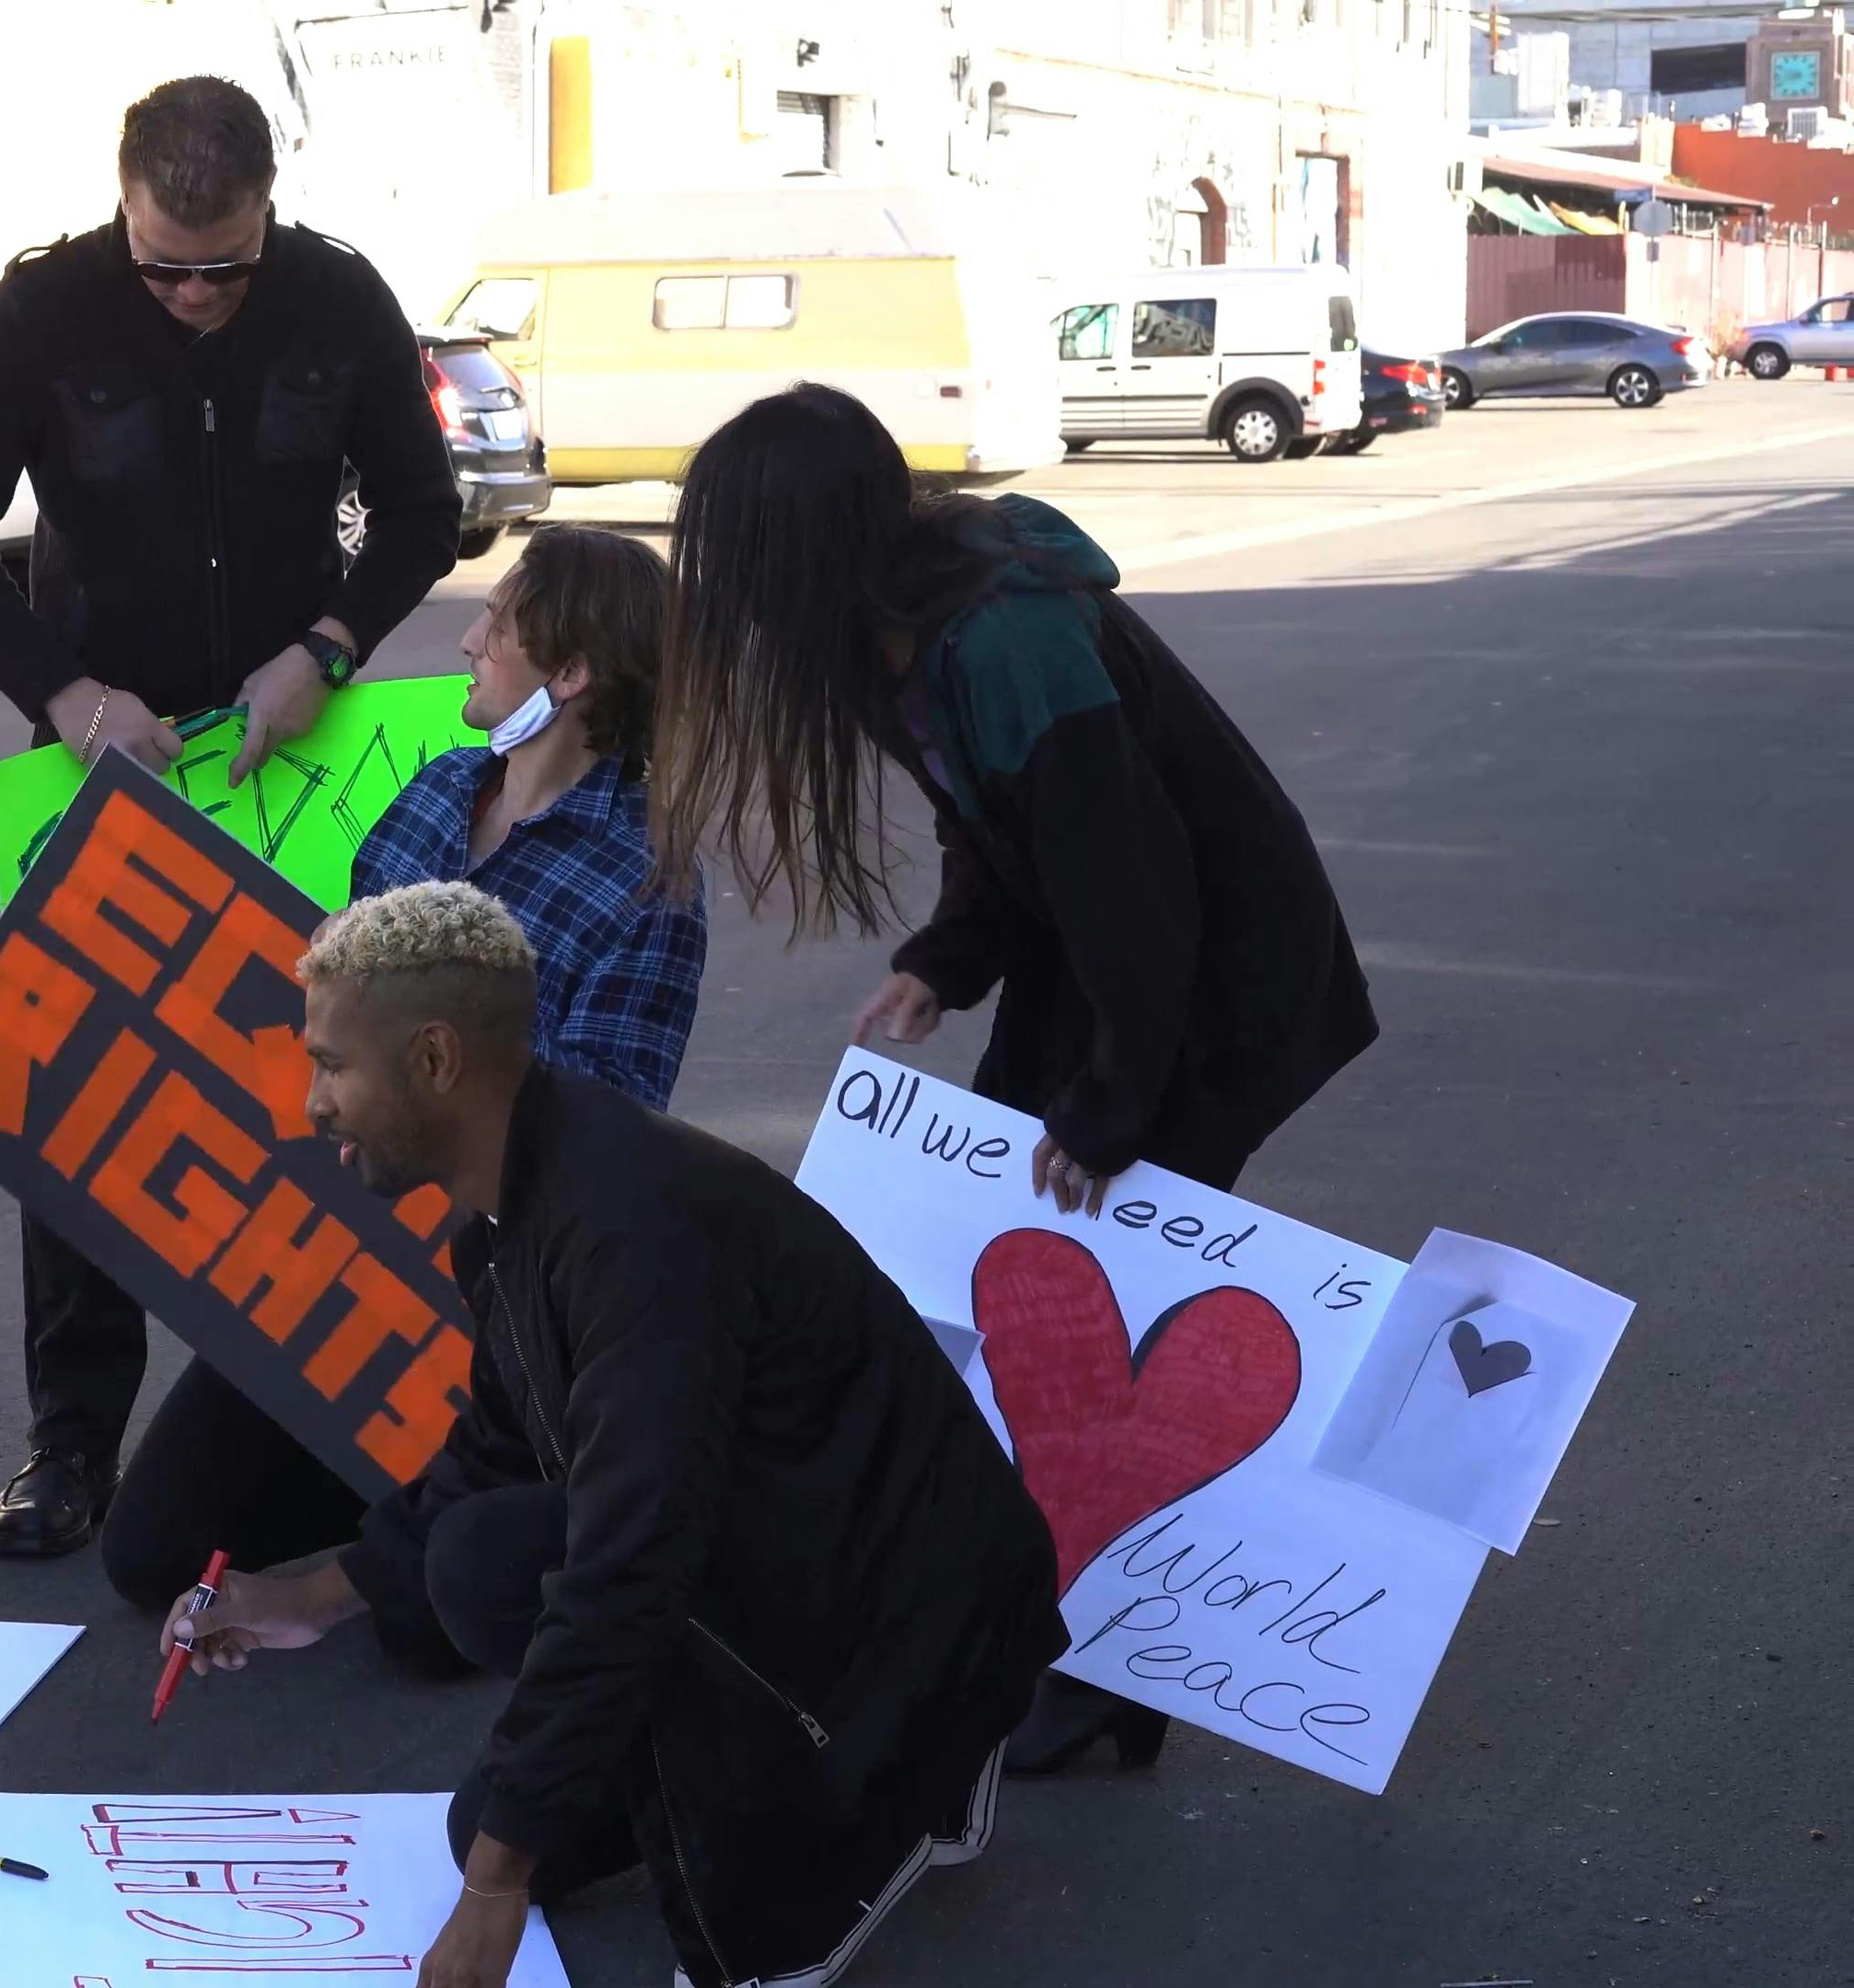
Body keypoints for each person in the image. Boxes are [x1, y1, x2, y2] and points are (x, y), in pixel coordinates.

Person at [649, 383, 1380, 1774]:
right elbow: (1000, 829)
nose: (726, 604)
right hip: (1108, 960)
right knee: (1019, 1282)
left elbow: (1134, 884)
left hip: (1207, 973)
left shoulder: (1012, 635)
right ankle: (1082, 1640)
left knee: (1109, 1300)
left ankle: (1118, 1656)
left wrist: (1110, 1111)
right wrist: (945, 959)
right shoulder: (891, 632)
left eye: (738, 564)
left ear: (801, 550)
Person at [165, 884, 1065, 1988]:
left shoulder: (632, 1234)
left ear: (436, 1060)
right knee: (479, 1595)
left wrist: (496, 1892)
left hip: (913, 1606)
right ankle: (771, 1767)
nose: (312, 1103)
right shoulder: (509, 1209)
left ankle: (908, 1776)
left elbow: (630, 1561)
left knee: (575, 1839)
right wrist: (307, 1598)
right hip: (794, 1535)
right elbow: (502, 1447)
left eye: (332, 1066)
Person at [0, 73, 459, 1557]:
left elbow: (422, 509)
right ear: (123, 203)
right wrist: (65, 693)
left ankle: (329, 1419)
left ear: (271, 208)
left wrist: (328, 651)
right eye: (167, 268)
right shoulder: (46, 309)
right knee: (84, 1094)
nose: (200, 297)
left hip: (297, 757)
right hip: (104, 764)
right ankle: (70, 1445)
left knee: (326, 1087)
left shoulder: (336, 296)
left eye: (228, 267)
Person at [99, 526, 706, 1623]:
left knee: (444, 1613)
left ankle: (455, 1506)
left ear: (569, 675)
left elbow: (613, 1126)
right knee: (151, 1553)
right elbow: (320, 986)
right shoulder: (435, 791)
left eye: (502, 626)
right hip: (335, 1263)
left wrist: (432, 1060)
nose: (470, 639)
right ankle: (393, 1503)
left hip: (488, 1307)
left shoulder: (649, 879)